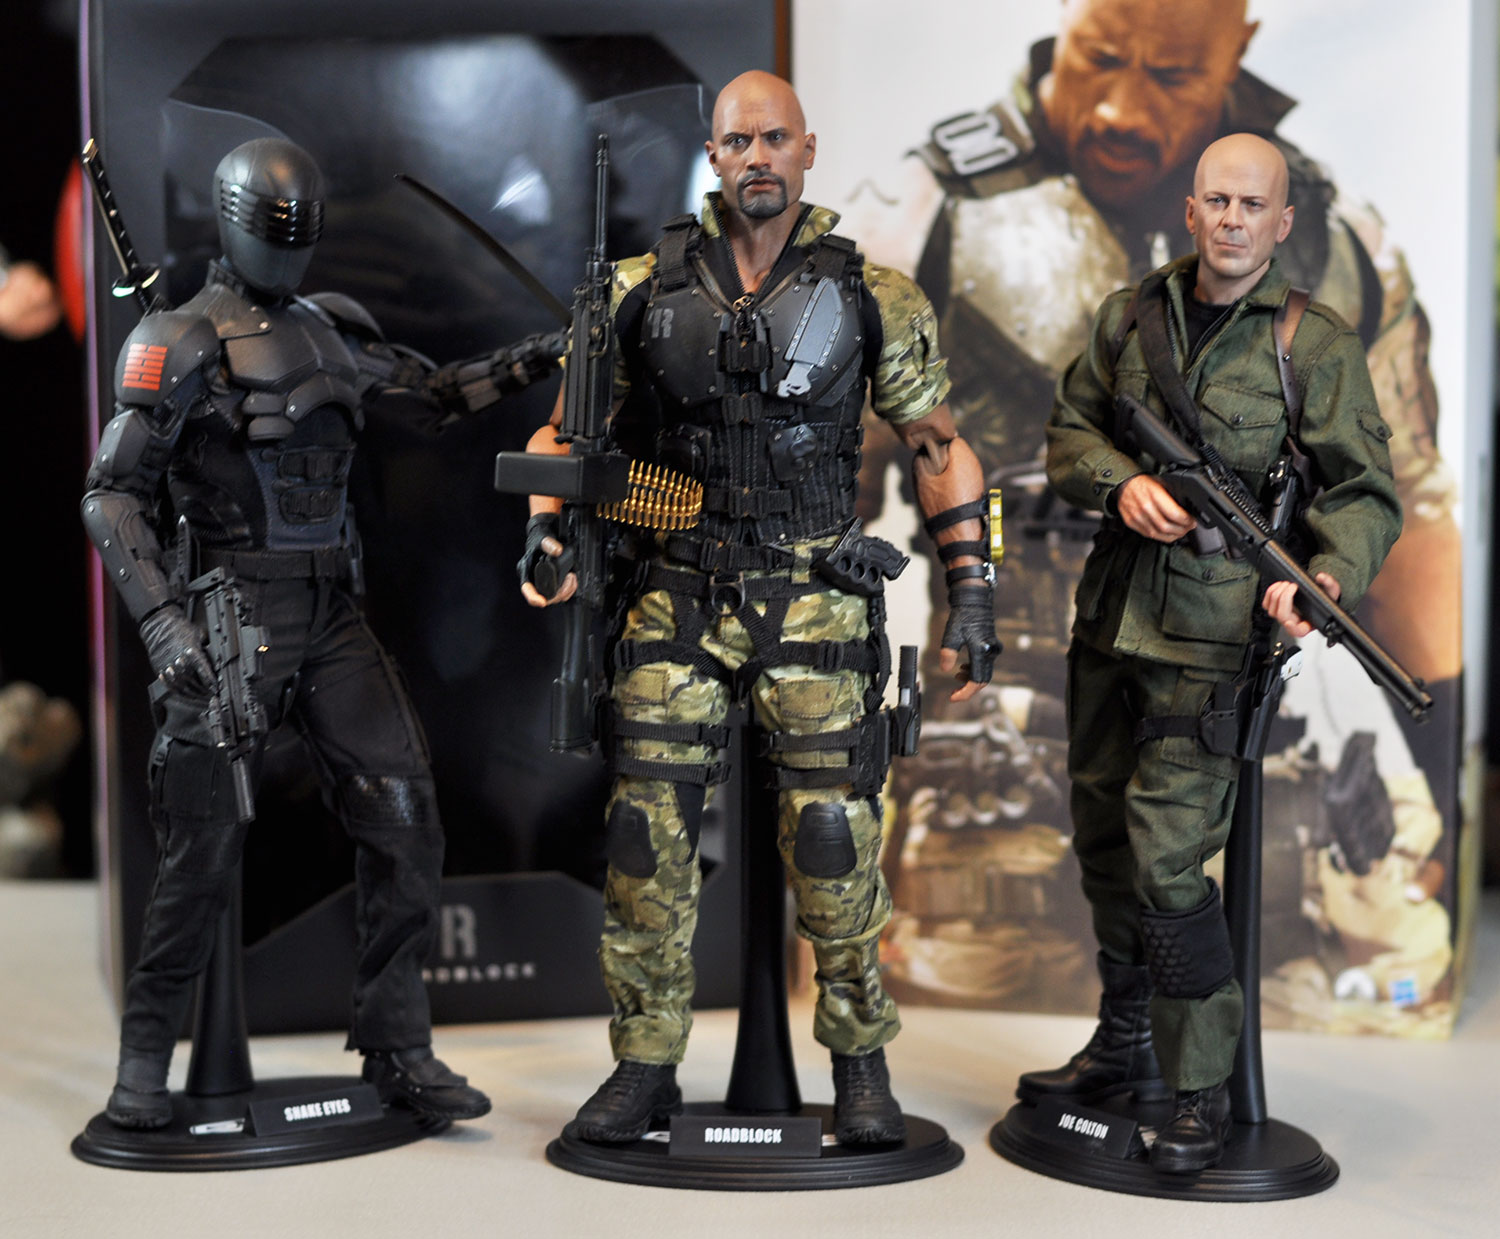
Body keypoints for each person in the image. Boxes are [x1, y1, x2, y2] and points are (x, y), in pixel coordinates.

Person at [520, 71, 1000, 1147]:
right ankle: (645, 1064)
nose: (757, 159)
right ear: (714, 155)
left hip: (817, 597)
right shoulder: (637, 290)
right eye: (738, 142)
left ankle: (861, 1062)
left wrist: (971, 589)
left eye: (775, 138)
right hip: (674, 593)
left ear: (808, 148)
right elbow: (564, 435)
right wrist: (546, 531)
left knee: (834, 840)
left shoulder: (875, 295)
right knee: (644, 840)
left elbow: (937, 447)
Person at [846, 0, 1457, 796]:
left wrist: (1443, 779)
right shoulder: (920, 221)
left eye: (1173, 75)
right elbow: (832, 498)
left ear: (1237, 50)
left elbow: (1409, 517)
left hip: (1230, 711)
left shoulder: (1337, 251)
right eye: (1099, 57)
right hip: (997, 732)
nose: (1119, 112)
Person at [83, 137, 562, 1131]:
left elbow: (436, 395)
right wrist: (164, 622)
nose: (290, 246)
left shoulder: (331, 327)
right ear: (233, 220)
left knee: (405, 813)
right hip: (231, 612)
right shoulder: (180, 338)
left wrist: (542, 353)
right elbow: (111, 495)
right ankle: (143, 1060)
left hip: (330, 613)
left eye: (302, 231)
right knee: (199, 853)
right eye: (275, 228)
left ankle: (398, 1047)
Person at [1034, 133, 1400, 1173]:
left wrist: (1323, 580)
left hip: (1213, 640)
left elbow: (1364, 495)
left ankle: (1198, 1088)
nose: (1233, 219)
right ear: (1190, 211)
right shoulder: (1128, 316)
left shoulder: (1310, 344)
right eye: (1217, 201)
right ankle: (1123, 1043)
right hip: (1110, 622)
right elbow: (1068, 434)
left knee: (1169, 860)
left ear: (1283, 223)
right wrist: (1120, 485)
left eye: (1253, 204)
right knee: (1103, 840)